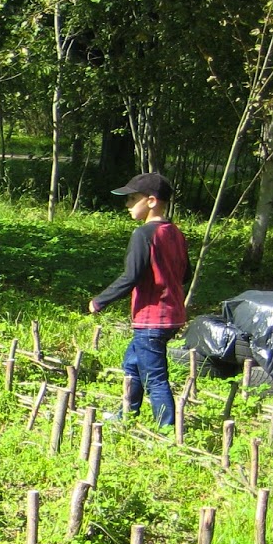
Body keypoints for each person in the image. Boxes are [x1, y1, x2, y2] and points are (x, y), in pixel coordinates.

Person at [88, 171, 189, 427]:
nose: (128, 205)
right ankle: (127, 413)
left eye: (133, 199)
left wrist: (100, 300)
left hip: (151, 317)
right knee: (132, 363)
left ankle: (166, 429)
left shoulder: (143, 234)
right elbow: (185, 273)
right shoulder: (175, 233)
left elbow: (131, 276)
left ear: (152, 201)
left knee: (155, 378)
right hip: (172, 314)